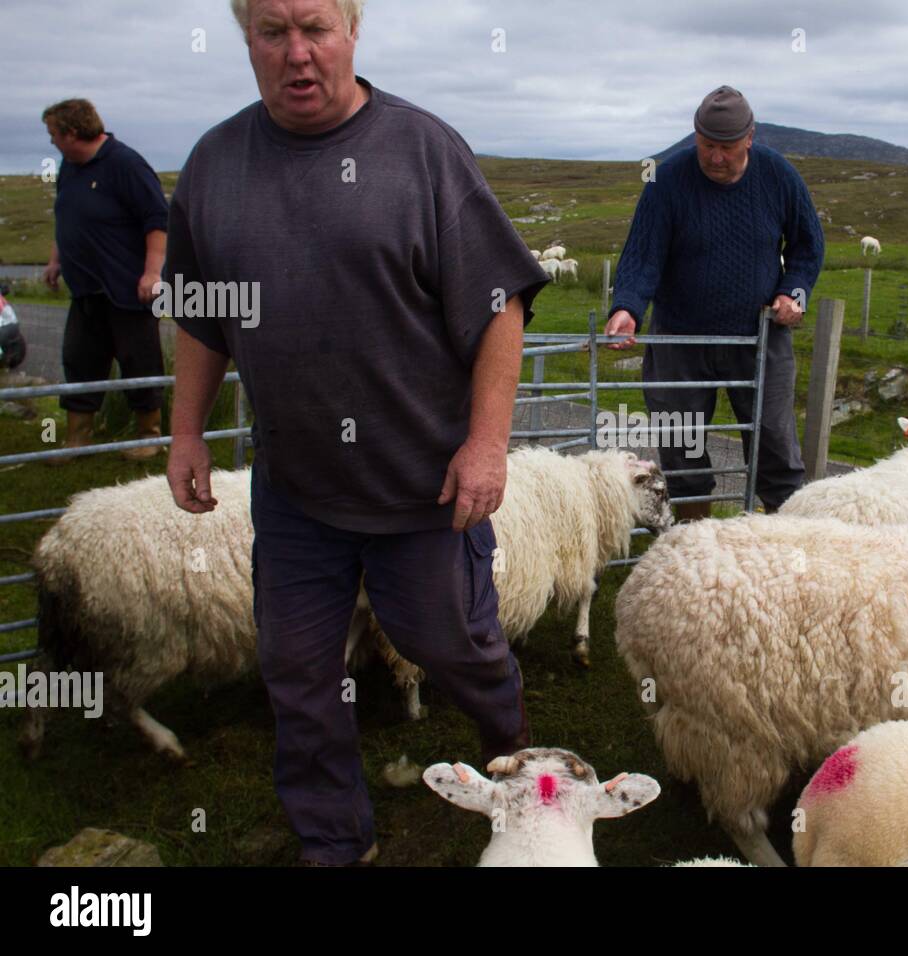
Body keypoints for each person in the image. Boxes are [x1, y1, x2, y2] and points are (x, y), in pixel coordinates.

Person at [164, 0, 548, 866]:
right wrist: (185, 432)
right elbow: (198, 313)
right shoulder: (216, 165)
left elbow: (500, 305)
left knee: (452, 645)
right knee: (296, 671)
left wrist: (487, 443)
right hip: (298, 491)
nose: (297, 55)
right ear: (247, 38)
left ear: (352, 30)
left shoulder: (422, 152)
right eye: (272, 33)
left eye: (315, 29)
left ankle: (518, 765)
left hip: (422, 487)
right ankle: (335, 840)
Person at [604, 85, 824, 519]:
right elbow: (643, 254)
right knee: (681, 446)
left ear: (749, 138)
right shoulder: (667, 181)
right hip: (680, 338)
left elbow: (807, 246)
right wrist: (627, 308)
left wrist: (793, 292)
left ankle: (788, 550)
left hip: (759, 335)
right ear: (695, 137)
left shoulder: (778, 176)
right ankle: (694, 551)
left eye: (726, 148)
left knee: (775, 447)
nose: (715, 158)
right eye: (706, 146)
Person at [41, 98, 168, 462]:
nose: (51, 142)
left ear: (71, 132)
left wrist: (152, 273)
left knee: (139, 360)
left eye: (53, 134)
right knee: (78, 359)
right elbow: (66, 216)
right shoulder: (70, 166)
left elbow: (157, 219)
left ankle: (148, 436)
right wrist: (55, 260)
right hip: (85, 289)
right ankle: (78, 439)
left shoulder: (125, 164)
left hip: (128, 288)